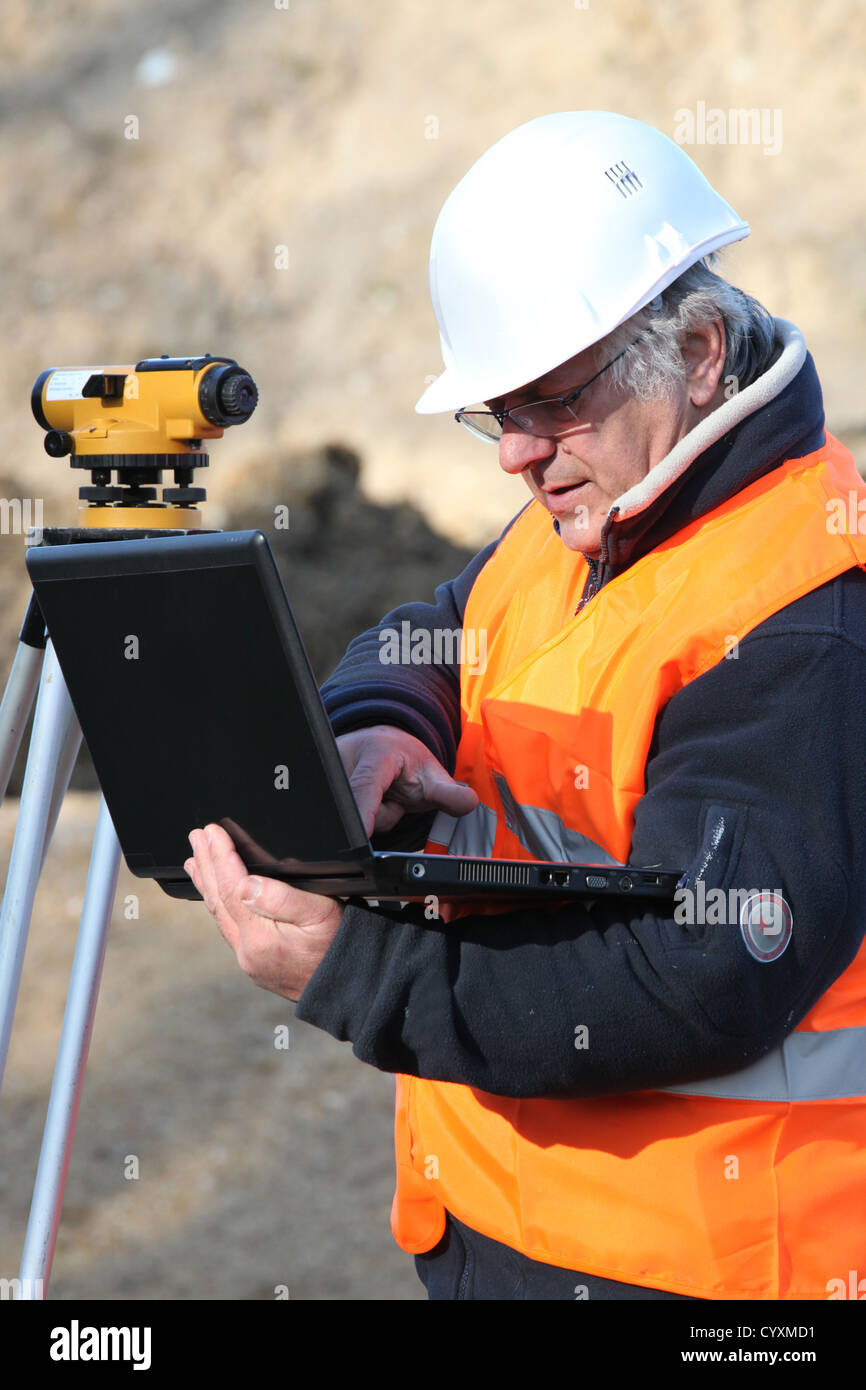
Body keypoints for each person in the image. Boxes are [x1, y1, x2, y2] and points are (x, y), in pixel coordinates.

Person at [186, 111, 866, 1301]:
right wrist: (380, 720)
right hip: (498, 1235)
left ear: (698, 351)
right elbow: (443, 624)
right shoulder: (607, 497)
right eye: (494, 412)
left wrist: (364, 971)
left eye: (547, 401)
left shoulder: (803, 617)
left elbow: (700, 971)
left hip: (704, 1277)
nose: (513, 454)